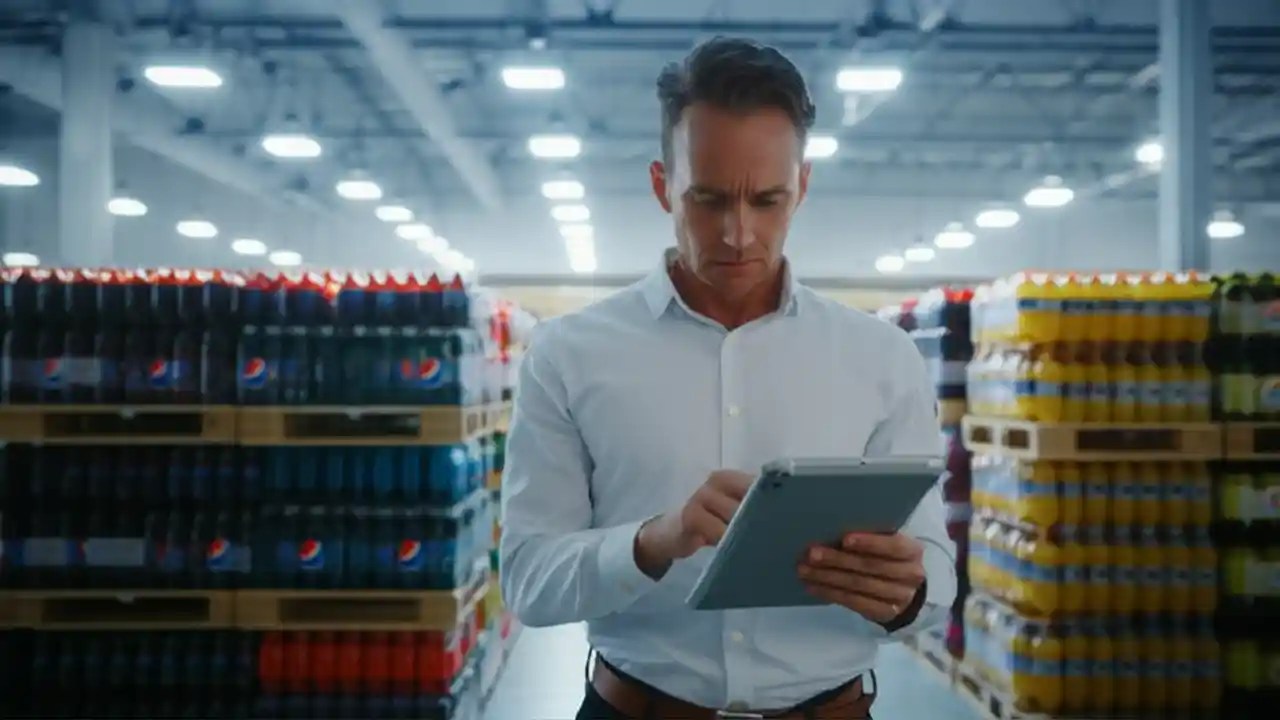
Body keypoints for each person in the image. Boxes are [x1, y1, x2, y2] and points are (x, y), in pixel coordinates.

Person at [500, 37, 956, 720]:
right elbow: (529, 581)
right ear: (662, 187)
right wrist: (654, 540)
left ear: (802, 186)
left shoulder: (881, 357)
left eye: (767, 200)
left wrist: (907, 589)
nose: (739, 234)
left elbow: (939, 580)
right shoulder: (569, 354)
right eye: (708, 200)